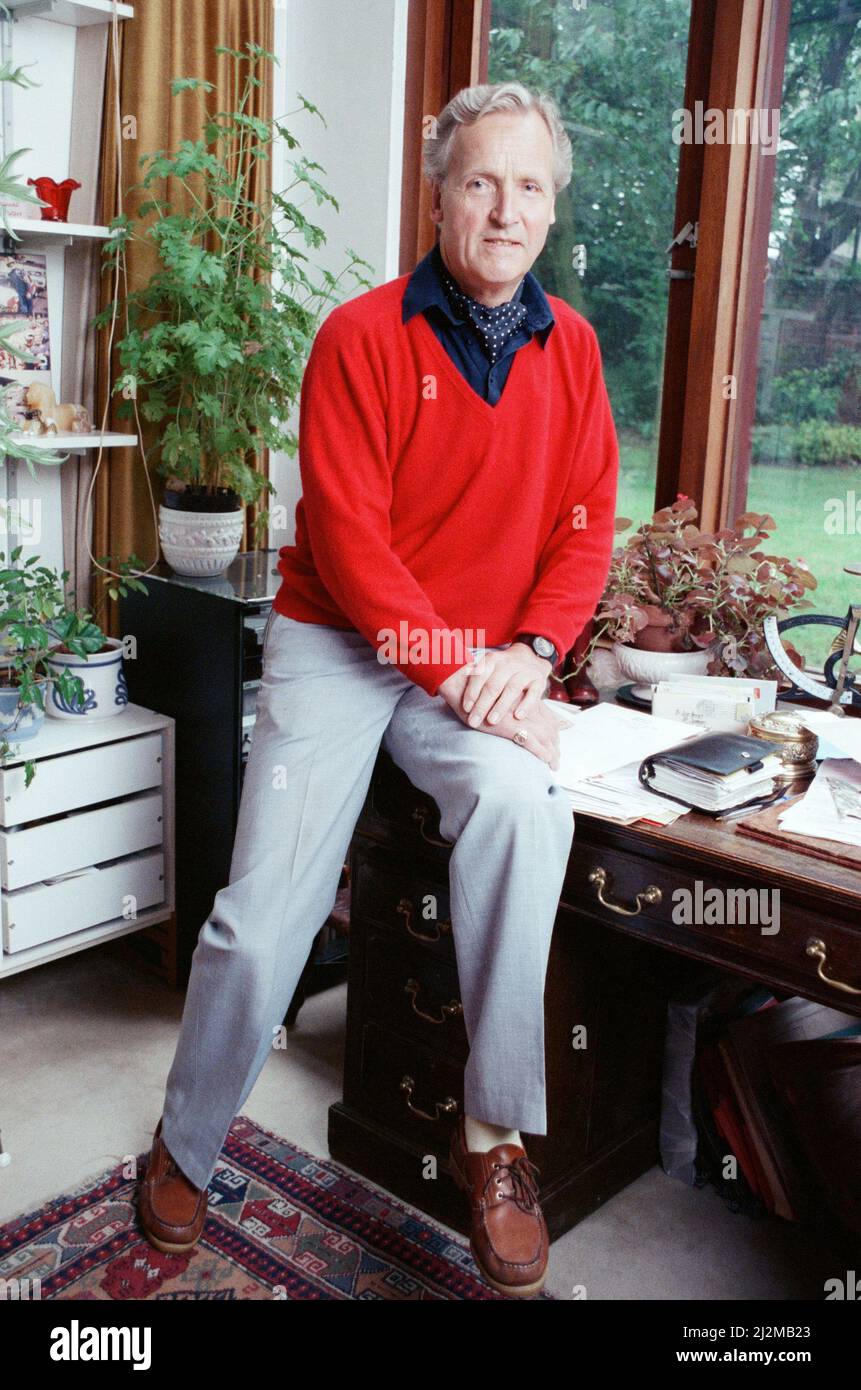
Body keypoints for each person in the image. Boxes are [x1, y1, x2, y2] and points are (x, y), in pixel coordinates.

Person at [138, 79, 619, 1298]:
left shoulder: (574, 353)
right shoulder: (360, 336)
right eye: (480, 181)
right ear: (439, 193)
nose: (503, 208)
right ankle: (187, 1140)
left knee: (526, 808)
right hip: (342, 644)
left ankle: (492, 1137)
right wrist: (463, 669)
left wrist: (533, 651)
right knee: (266, 913)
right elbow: (350, 547)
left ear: (551, 211)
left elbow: (585, 525)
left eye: (528, 187)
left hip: (481, 663)